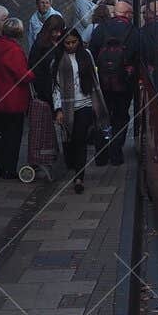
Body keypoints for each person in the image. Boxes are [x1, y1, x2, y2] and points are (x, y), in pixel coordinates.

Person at [49, 27, 100, 193]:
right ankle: (73, 165)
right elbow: (55, 88)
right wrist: (58, 110)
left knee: (80, 140)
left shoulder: (87, 55)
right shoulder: (57, 59)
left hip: (84, 103)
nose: (71, 45)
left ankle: (79, 178)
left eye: (74, 42)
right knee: (70, 140)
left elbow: (94, 79)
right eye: (67, 43)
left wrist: (96, 102)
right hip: (66, 105)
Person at [89, 0, 138, 165]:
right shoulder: (133, 32)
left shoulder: (100, 29)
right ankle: (116, 154)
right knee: (121, 116)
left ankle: (101, 156)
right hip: (124, 84)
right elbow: (138, 58)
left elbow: (92, 53)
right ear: (128, 14)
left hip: (102, 84)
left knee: (102, 116)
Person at [0, 17, 32, 178]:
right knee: (13, 136)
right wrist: (32, 73)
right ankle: (9, 169)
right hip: (13, 99)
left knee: (0, 134)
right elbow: (22, 75)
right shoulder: (13, 50)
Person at [25, 14, 67, 177]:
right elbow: (36, 70)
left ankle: (51, 155)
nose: (57, 34)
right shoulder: (41, 45)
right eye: (54, 31)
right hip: (46, 91)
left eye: (59, 30)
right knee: (47, 125)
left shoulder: (55, 42)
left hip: (55, 89)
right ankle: (44, 156)